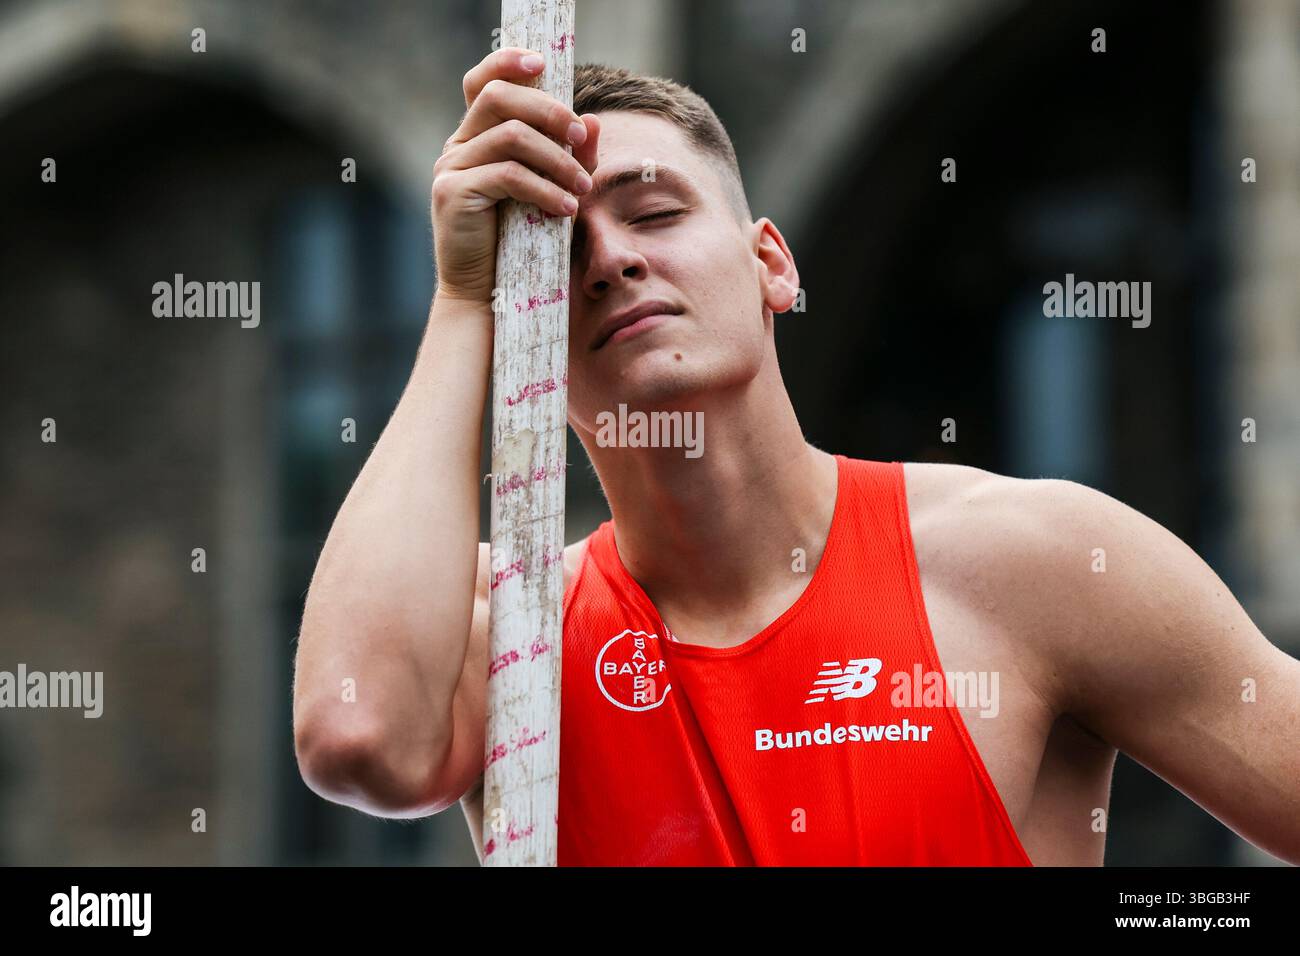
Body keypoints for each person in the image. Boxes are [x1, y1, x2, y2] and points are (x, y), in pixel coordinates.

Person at [291, 47, 1300, 866]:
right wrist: (467, 299)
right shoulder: (515, 634)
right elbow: (359, 738)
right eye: (555, 257)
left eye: (653, 212)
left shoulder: (1033, 562)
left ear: (769, 262)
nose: (611, 258)